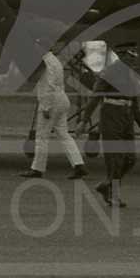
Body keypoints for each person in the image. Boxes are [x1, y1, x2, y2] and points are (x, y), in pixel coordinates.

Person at [91, 42, 140, 207]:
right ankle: (113, 195)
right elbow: (96, 96)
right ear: (123, 55)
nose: (134, 58)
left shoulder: (130, 74)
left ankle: (107, 185)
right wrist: (84, 120)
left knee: (130, 159)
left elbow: (134, 101)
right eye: (131, 55)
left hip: (127, 117)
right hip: (111, 114)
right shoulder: (109, 72)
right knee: (115, 158)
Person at [25, 47, 88, 180]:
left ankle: (37, 169)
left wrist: (46, 106)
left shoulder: (44, 61)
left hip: (51, 100)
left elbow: (50, 84)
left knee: (42, 136)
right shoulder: (55, 60)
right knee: (64, 135)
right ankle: (78, 165)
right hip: (62, 99)